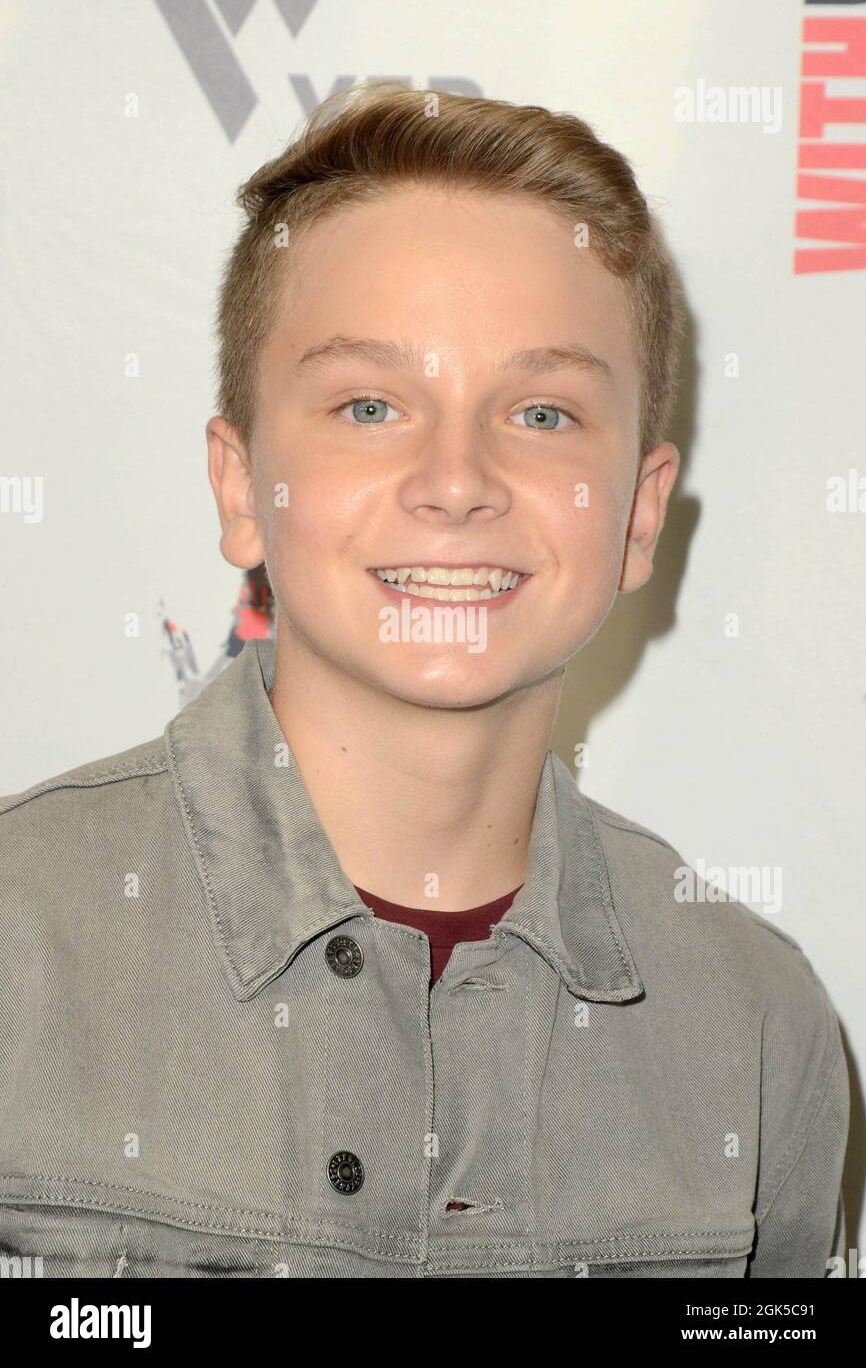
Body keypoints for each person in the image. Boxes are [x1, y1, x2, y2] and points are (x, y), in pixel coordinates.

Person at [0, 82, 848, 1279]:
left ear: (639, 515)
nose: (456, 480)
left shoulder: (757, 1027)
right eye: (369, 404)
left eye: (542, 411)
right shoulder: (20, 949)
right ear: (242, 487)